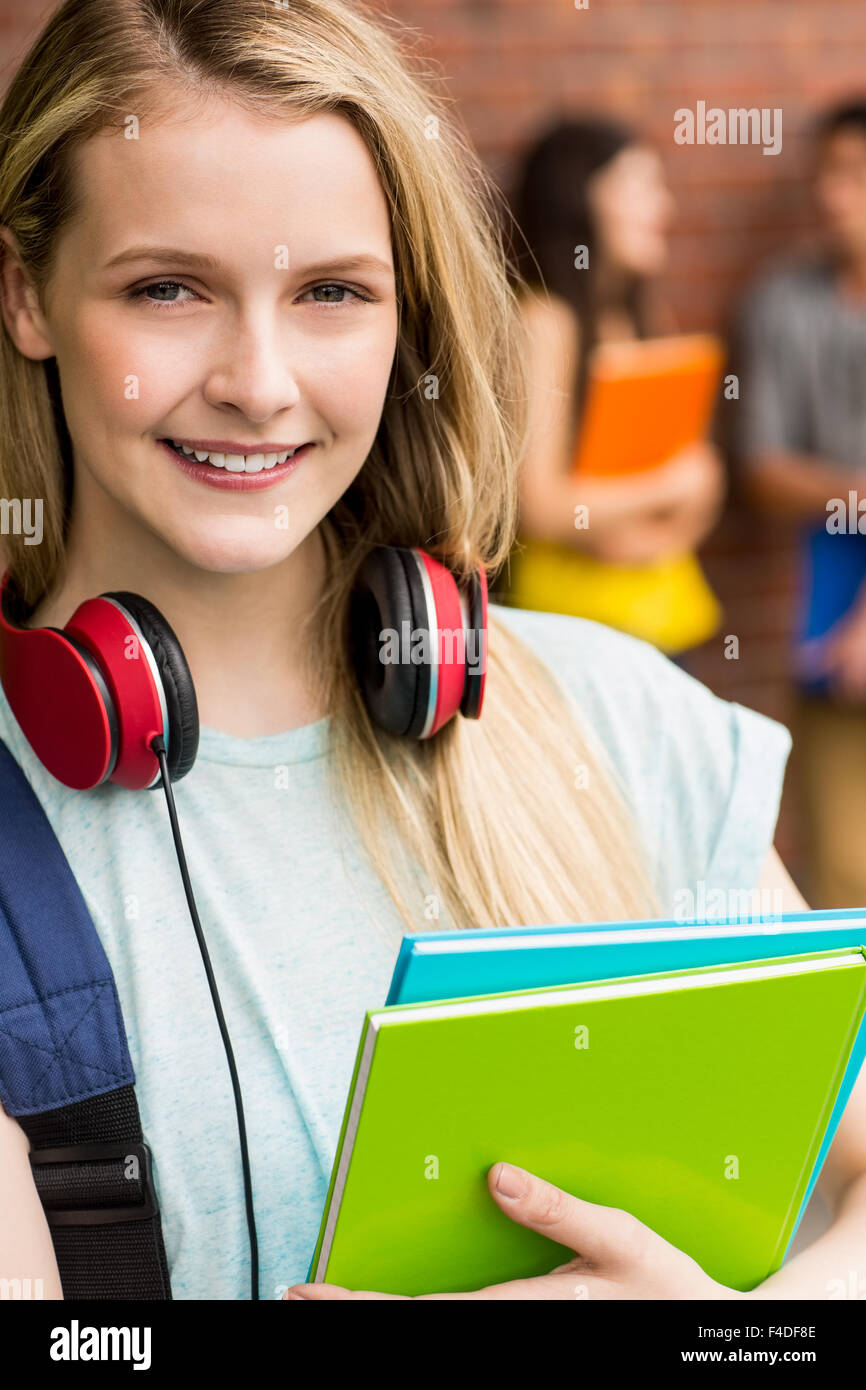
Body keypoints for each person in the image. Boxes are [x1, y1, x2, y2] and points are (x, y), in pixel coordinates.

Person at [0, 0, 862, 1304]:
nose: (260, 379)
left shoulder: (618, 715)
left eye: (331, 292)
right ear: (27, 295)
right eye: (167, 287)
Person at [505, 116, 727, 654]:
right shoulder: (545, 322)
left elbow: (701, 474)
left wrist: (651, 535)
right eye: (639, 185)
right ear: (578, 198)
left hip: (663, 615)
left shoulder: (645, 314)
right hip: (573, 633)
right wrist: (671, 489)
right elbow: (540, 505)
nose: (663, 207)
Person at [737, 99, 866, 910]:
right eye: (826, 172)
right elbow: (763, 469)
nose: (830, 193)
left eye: (853, 175)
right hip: (825, 616)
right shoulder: (783, 303)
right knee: (842, 873)